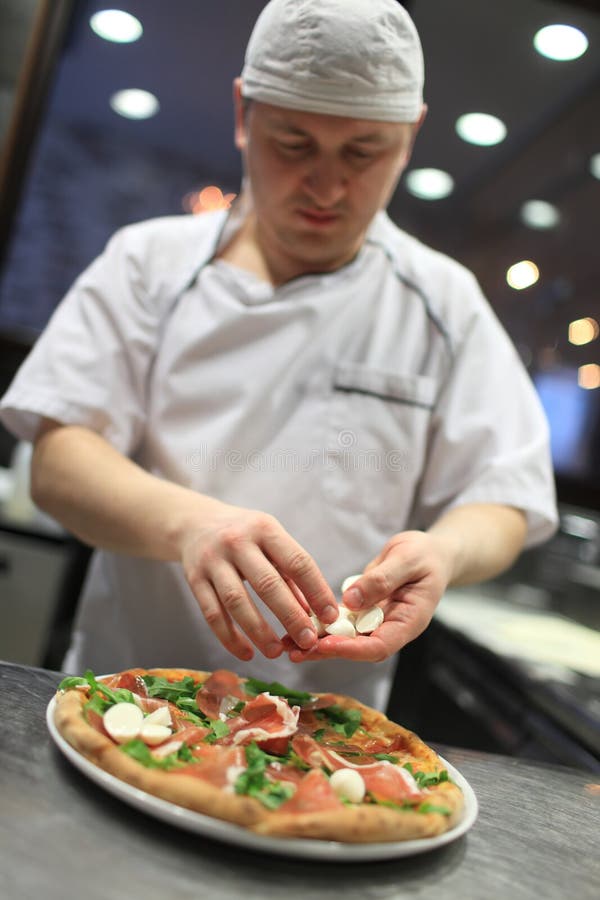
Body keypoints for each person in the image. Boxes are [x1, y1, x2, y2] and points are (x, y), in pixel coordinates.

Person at [0, 0, 557, 710]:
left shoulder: (443, 302)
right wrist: (192, 524)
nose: (326, 186)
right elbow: (58, 461)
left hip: (327, 737)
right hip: (127, 698)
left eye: (364, 151)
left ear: (411, 134)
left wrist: (445, 552)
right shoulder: (149, 264)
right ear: (243, 113)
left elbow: (503, 499)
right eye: (293, 144)